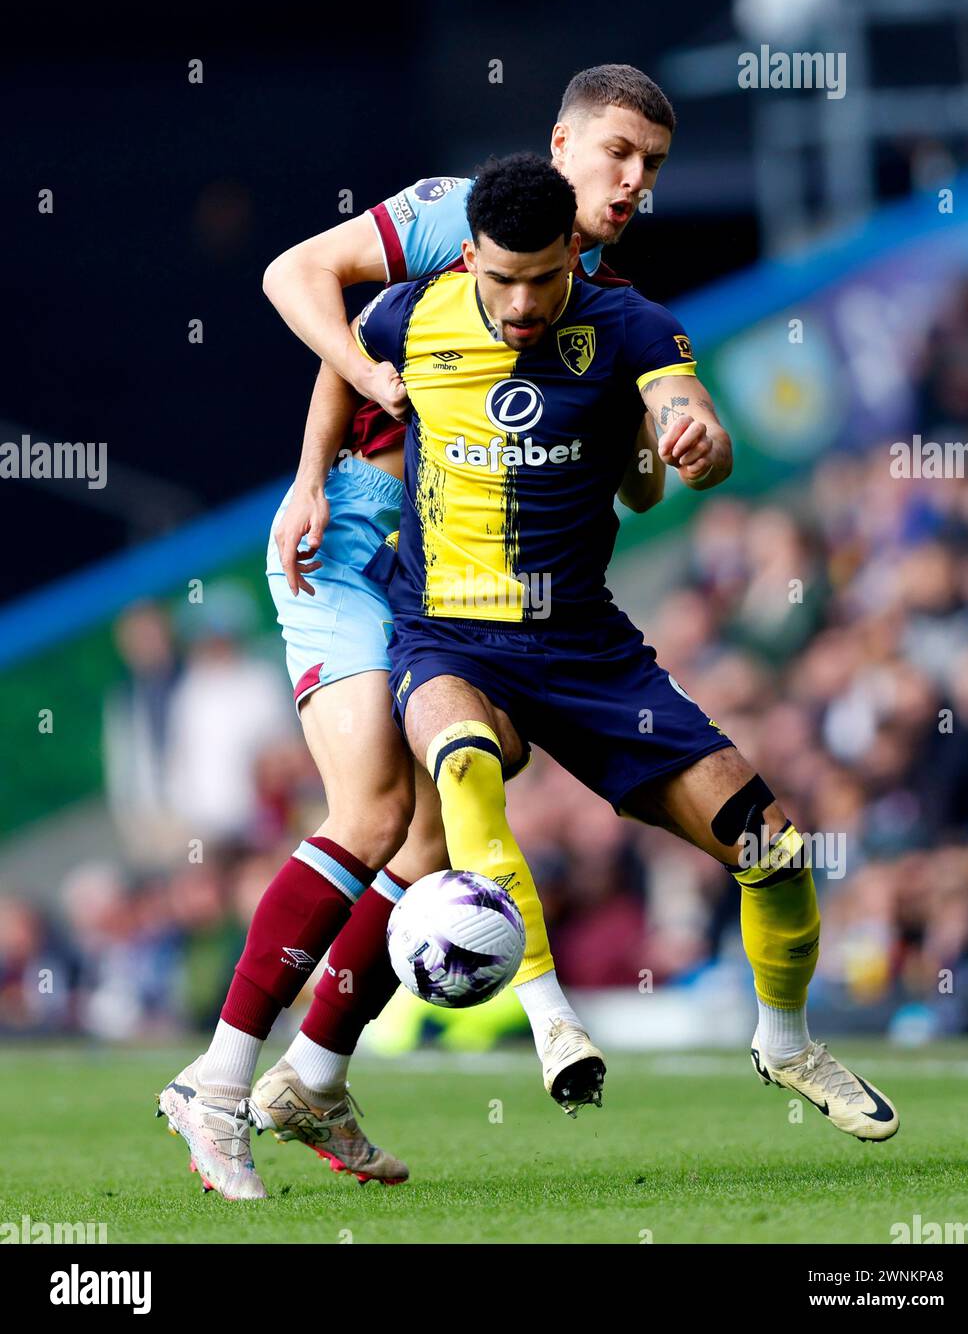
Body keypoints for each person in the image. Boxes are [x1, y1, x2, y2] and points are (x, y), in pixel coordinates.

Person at [157, 65, 677, 1200]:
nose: (632, 180)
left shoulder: (599, 299)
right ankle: (216, 1080)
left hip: (442, 587)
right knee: (378, 811)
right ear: (562, 143)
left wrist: (649, 443)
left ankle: (312, 1076)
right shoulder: (465, 213)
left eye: (651, 164)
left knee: (432, 846)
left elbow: (628, 489)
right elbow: (301, 280)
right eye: (616, 154)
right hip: (348, 545)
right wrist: (311, 470)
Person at [342, 154, 899, 1158]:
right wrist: (309, 484)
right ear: (468, 256)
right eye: (499, 279)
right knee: (461, 759)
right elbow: (333, 368)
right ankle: (552, 1019)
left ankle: (785, 1044)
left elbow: (692, 413)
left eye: (542, 280)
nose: (519, 305)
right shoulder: (405, 318)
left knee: (770, 845)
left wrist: (695, 440)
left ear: (572, 260)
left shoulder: (628, 324)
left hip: (587, 649)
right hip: (445, 631)